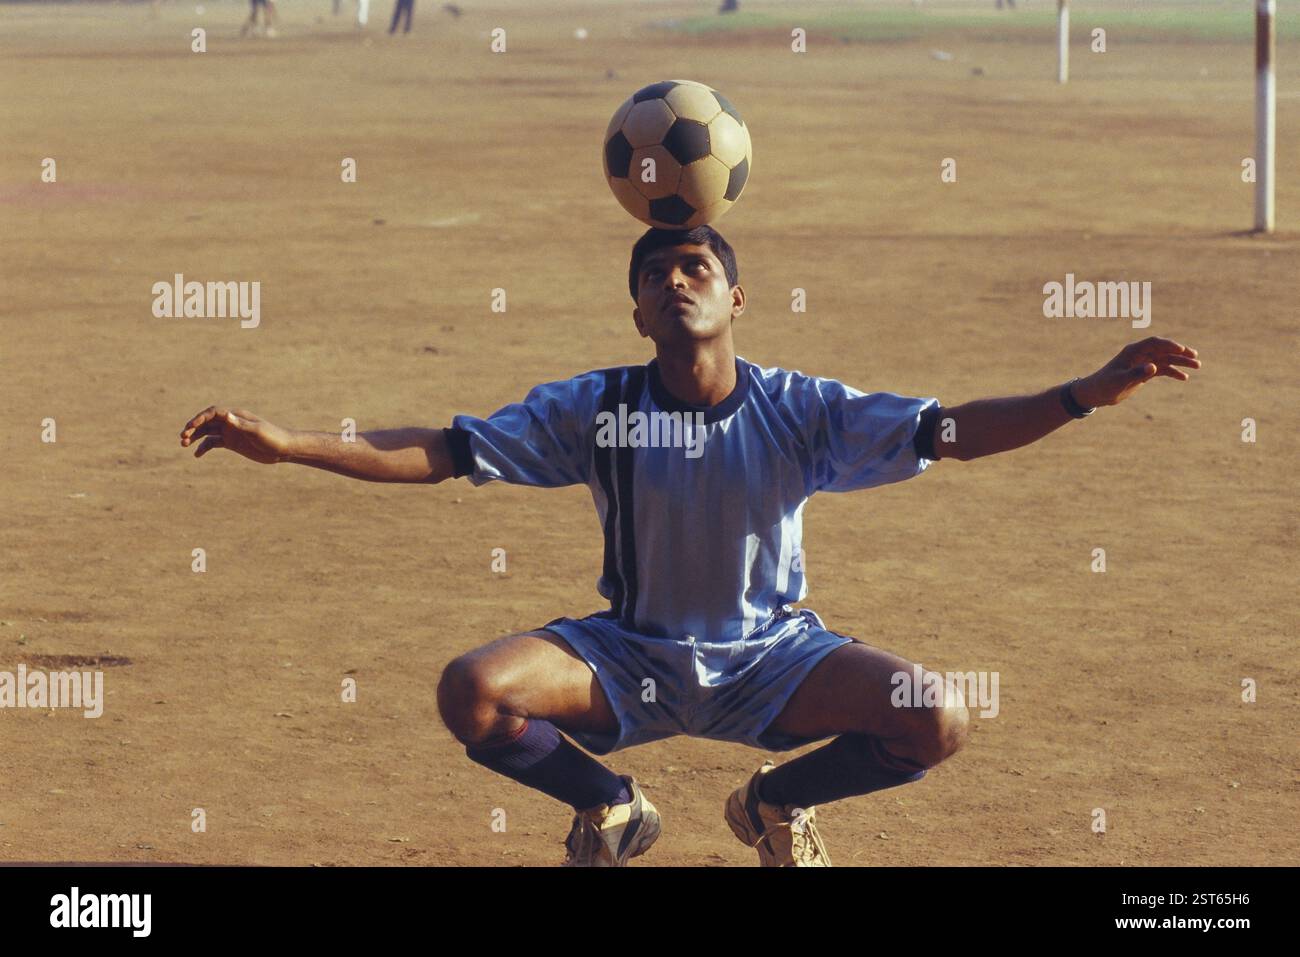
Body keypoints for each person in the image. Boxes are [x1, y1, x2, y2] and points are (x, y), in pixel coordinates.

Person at [179, 225, 1200, 867]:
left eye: (696, 265)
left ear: (734, 298)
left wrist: (1081, 394)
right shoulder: (594, 408)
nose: (677, 279)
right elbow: (442, 450)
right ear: (635, 310)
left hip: (774, 661)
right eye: (656, 272)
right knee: (472, 692)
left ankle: (772, 804)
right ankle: (613, 808)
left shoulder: (801, 409)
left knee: (937, 715)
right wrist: (289, 445)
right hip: (625, 657)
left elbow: (953, 432)